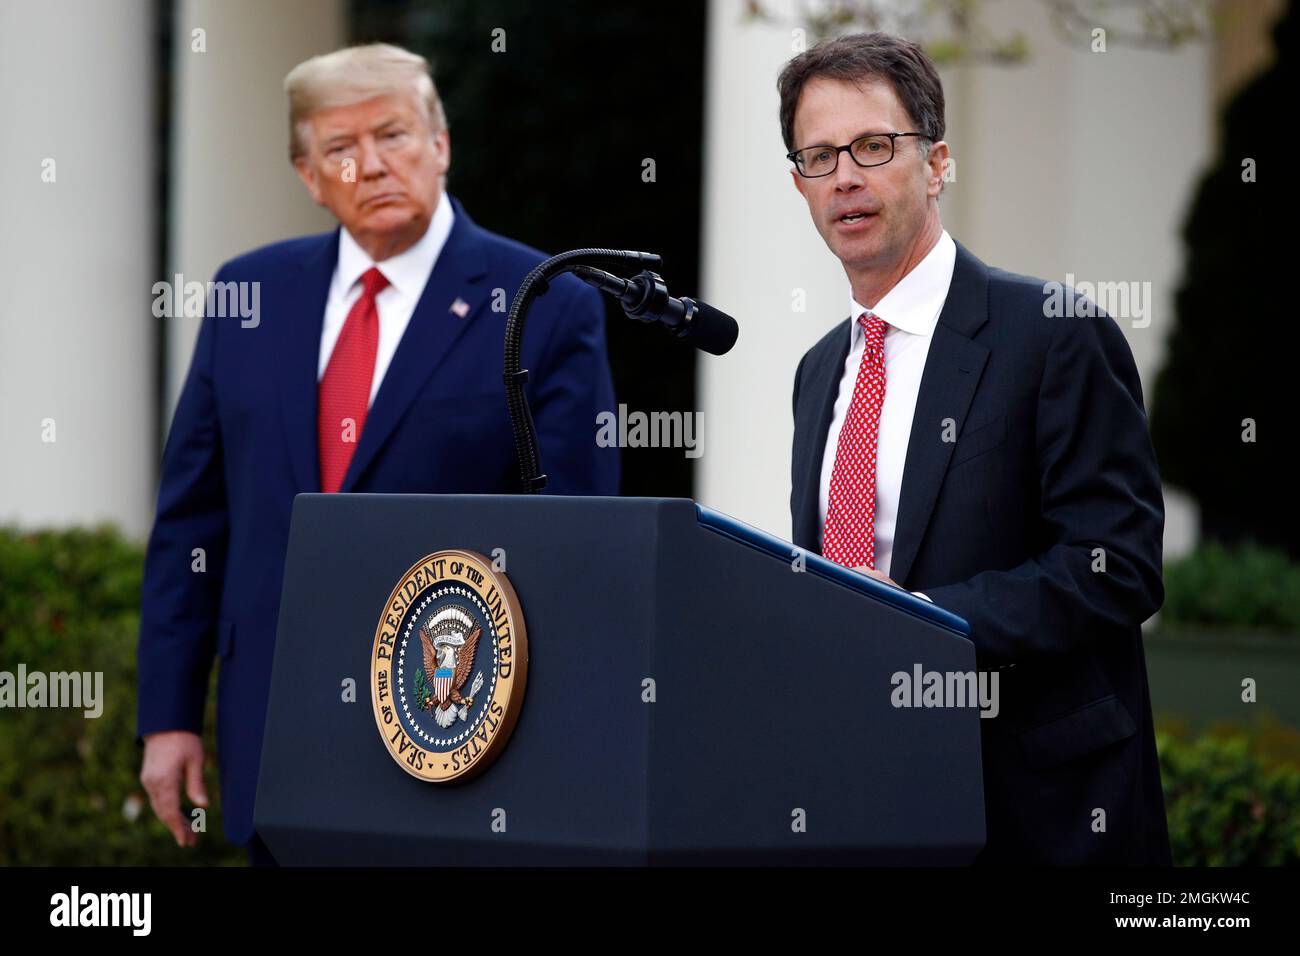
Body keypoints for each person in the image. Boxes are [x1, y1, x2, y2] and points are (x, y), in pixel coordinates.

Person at [137, 43, 618, 863]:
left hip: (457, 735)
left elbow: (578, 541)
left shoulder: (542, 304)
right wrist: (169, 716)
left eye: (393, 135)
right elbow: (192, 523)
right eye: (340, 148)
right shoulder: (248, 295)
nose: (371, 165)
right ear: (308, 175)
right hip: (277, 733)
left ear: (441, 143)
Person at [781, 33, 1169, 863]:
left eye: (873, 146)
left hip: (1038, 815)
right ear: (799, 183)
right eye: (819, 156)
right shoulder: (818, 374)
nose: (844, 176)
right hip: (868, 799)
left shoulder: (1055, 335)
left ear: (937, 164)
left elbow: (1118, 565)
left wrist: (923, 621)